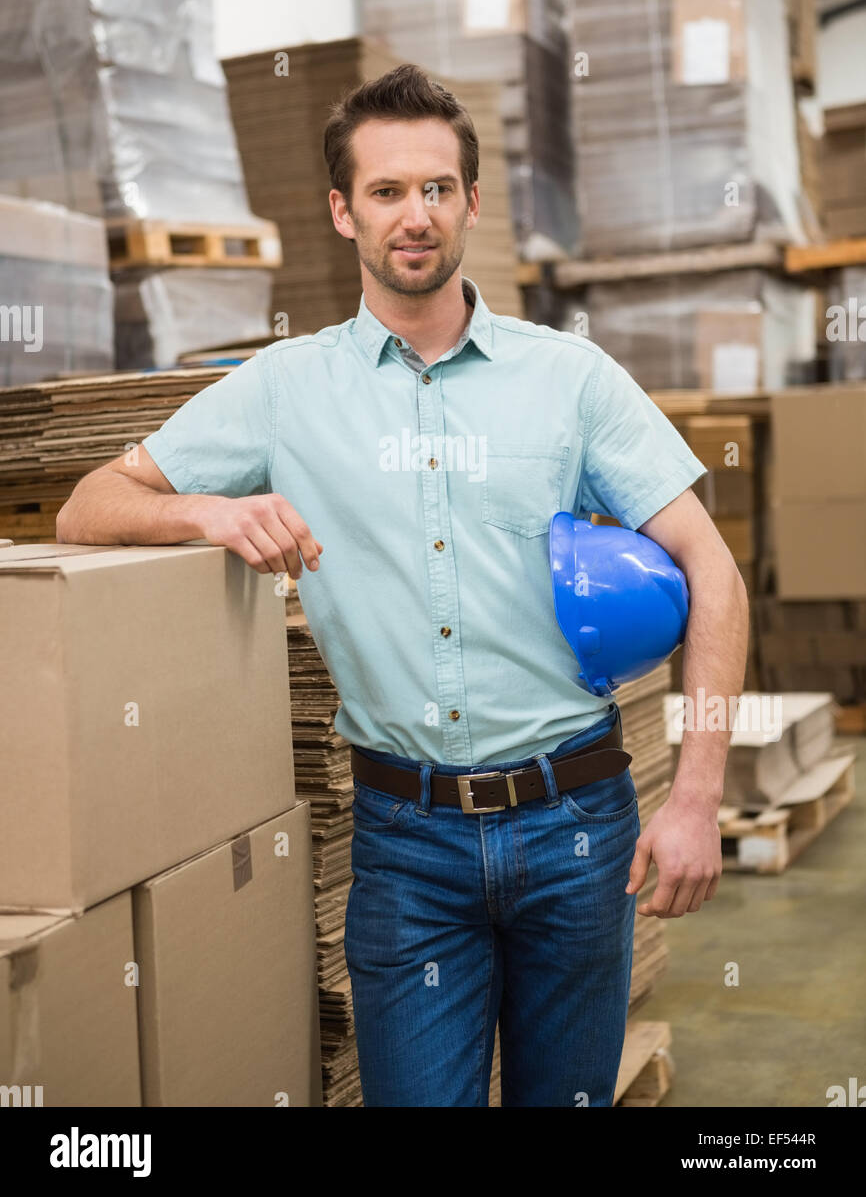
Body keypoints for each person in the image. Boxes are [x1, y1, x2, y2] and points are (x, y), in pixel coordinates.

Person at [56, 63, 749, 1107]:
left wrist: (695, 794)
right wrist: (204, 511)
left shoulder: (569, 379)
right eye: (385, 192)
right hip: (405, 843)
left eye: (435, 188)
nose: (412, 215)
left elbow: (713, 570)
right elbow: (86, 505)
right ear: (342, 211)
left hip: (575, 823)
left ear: (470, 201)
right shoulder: (284, 390)